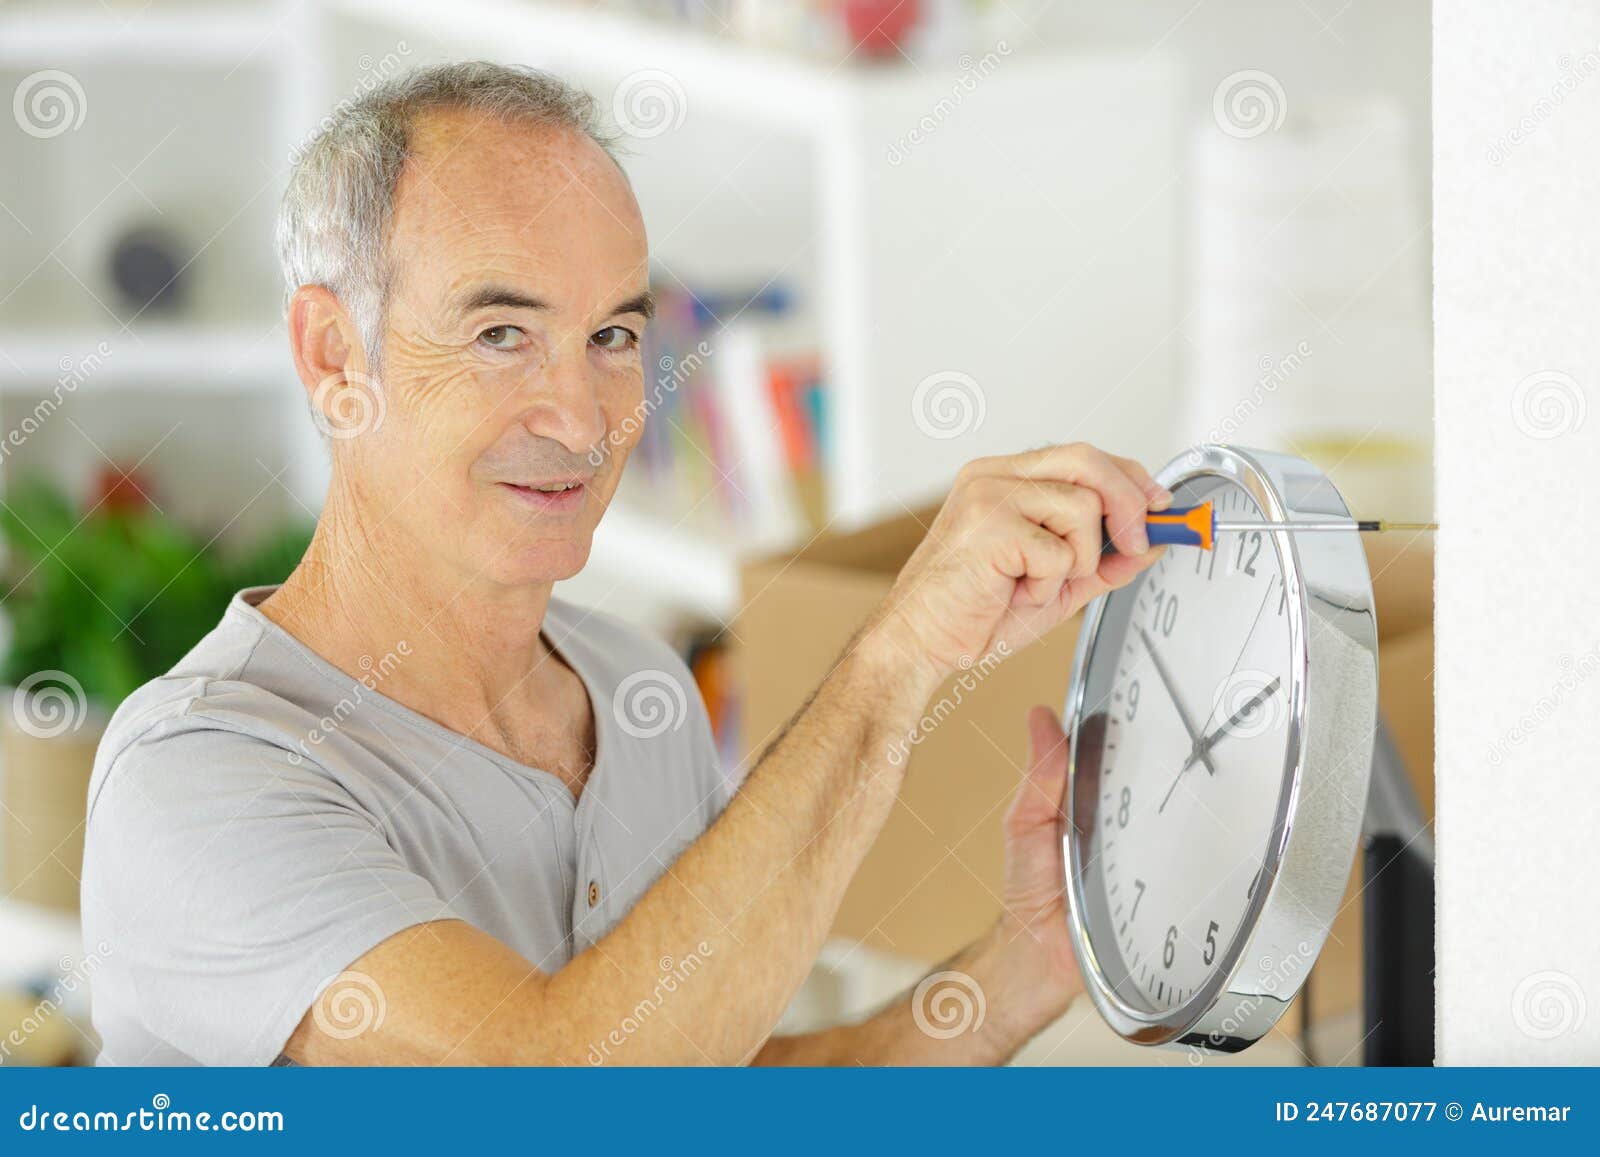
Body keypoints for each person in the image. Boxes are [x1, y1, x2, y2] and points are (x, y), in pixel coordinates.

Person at [80, 62, 1168, 1066]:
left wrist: (1022, 967)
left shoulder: (639, 692)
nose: (582, 418)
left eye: (612, 336)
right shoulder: (200, 779)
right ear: (333, 358)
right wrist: (898, 652)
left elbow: (695, 1077)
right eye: (501, 334)